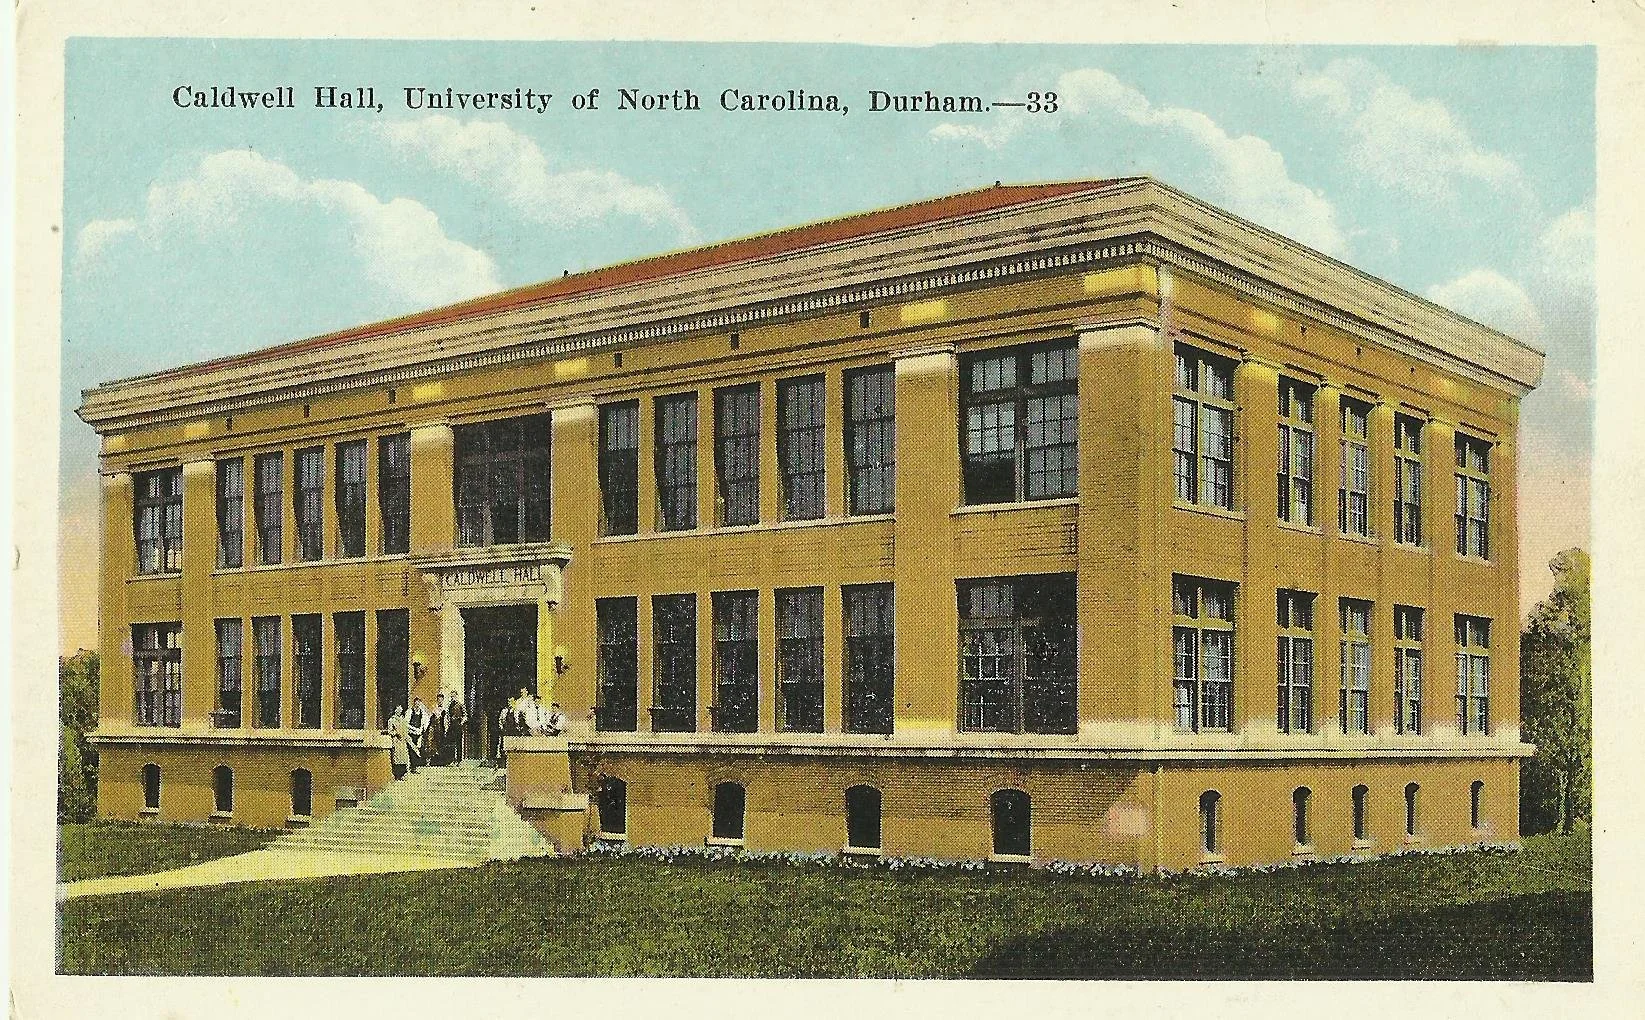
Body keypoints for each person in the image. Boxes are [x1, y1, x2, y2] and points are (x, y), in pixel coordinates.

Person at [388, 705, 411, 780]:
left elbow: (405, 729)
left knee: (404, 758)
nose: (399, 711)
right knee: (397, 758)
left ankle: (403, 774)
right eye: (398, 710)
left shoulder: (403, 719)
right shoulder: (391, 720)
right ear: (395, 710)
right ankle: (397, 775)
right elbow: (390, 731)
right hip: (396, 741)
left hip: (403, 741)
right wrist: (396, 733)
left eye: (400, 710)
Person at [408, 697, 429, 772]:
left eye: (419, 703)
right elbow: (406, 724)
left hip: (419, 734)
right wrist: (414, 729)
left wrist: (423, 729)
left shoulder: (422, 712)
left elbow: (425, 721)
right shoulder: (410, 711)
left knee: (417, 749)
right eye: (416, 703)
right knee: (411, 750)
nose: (417, 705)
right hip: (411, 733)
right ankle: (412, 766)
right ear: (414, 703)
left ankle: (415, 766)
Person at [446, 693, 466, 763]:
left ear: (457, 696)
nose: (453, 698)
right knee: (451, 743)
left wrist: (461, 723)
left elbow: (465, 716)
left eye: (454, 696)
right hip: (451, 726)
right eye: (451, 696)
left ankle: (459, 760)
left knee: (458, 743)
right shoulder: (450, 706)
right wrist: (448, 723)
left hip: (458, 725)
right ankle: (451, 759)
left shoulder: (460, 705)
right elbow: (448, 716)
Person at [429, 692, 448, 766]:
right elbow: (431, 718)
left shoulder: (445, 708)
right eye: (438, 699)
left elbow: (446, 719)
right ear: (437, 700)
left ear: (443, 700)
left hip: (442, 728)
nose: (440, 701)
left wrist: (446, 728)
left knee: (442, 743)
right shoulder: (434, 708)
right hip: (435, 728)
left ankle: (442, 761)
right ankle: (434, 761)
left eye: (441, 699)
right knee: (434, 743)